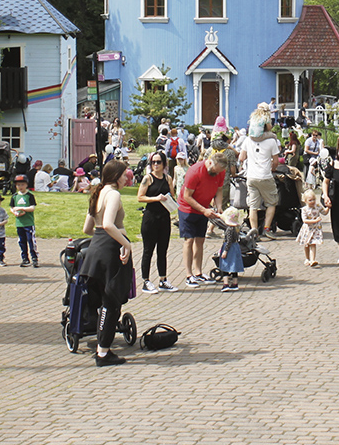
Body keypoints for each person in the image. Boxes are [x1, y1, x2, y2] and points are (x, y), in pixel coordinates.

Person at [80, 159, 135, 366]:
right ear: (116, 176)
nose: (126, 178)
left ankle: (102, 348)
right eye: (124, 175)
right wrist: (126, 244)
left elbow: (88, 228)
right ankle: (103, 353)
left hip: (95, 249)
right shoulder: (113, 194)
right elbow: (109, 224)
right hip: (110, 252)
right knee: (111, 303)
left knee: (104, 302)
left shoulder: (97, 192)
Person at [178, 149, 236, 287]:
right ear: (210, 162)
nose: (216, 174)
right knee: (189, 240)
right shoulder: (195, 172)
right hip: (188, 209)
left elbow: (219, 190)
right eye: (214, 170)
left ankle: (198, 272)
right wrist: (204, 210)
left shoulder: (220, 172)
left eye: (219, 172)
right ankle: (188, 275)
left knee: (200, 240)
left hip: (204, 209)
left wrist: (219, 206)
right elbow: (187, 196)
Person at [136, 150, 177, 294]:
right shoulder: (148, 178)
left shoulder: (168, 179)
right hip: (150, 217)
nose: (155, 165)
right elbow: (140, 197)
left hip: (164, 217)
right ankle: (146, 281)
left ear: (164, 164)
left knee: (162, 250)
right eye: (153, 162)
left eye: (158, 162)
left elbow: (172, 195)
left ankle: (163, 279)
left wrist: (172, 201)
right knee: (148, 250)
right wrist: (156, 198)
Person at [241, 116, 282, 238]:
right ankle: (267, 228)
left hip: (251, 176)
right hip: (265, 176)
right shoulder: (271, 141)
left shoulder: (248, 140)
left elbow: (241, 157)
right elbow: (276, 161)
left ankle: (254, 231)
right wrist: (272, 168)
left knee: (253, 206)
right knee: (271, 203)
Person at [10, 176, 39, 267]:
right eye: (18, 185)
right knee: (22, 241)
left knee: (31, 241)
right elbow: (12, 207)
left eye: (22, 184)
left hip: (28, 223)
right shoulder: (15, 196)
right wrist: (15, 212)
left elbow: (32, 208)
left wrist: (22, 209)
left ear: (26, 185)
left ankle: (34, 258)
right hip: (19, 223)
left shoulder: (29, 196)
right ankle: (25, 258)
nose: (20, 186)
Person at [214, 207, 244, 292]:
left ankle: (226, 284)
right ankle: (235, 283)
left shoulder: (230, 229)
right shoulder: (236, 228)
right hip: (235, 247)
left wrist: (225, 251)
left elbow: (229, 241)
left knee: (225, 266)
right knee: (234, 266)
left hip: (230, 249)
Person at [297, 189, 324, 266]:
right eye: (310, 200)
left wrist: (328, 207)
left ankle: (313, 260)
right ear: (305, 201)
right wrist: (314, 221)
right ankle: (307, 258)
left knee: (313, 244)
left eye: (314, 199)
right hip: (307, 229)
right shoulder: (304, 209)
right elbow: (305, 220)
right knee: (306, 244)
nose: (312, 202)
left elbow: (324, 212)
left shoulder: (317, 206)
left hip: (315, 229)